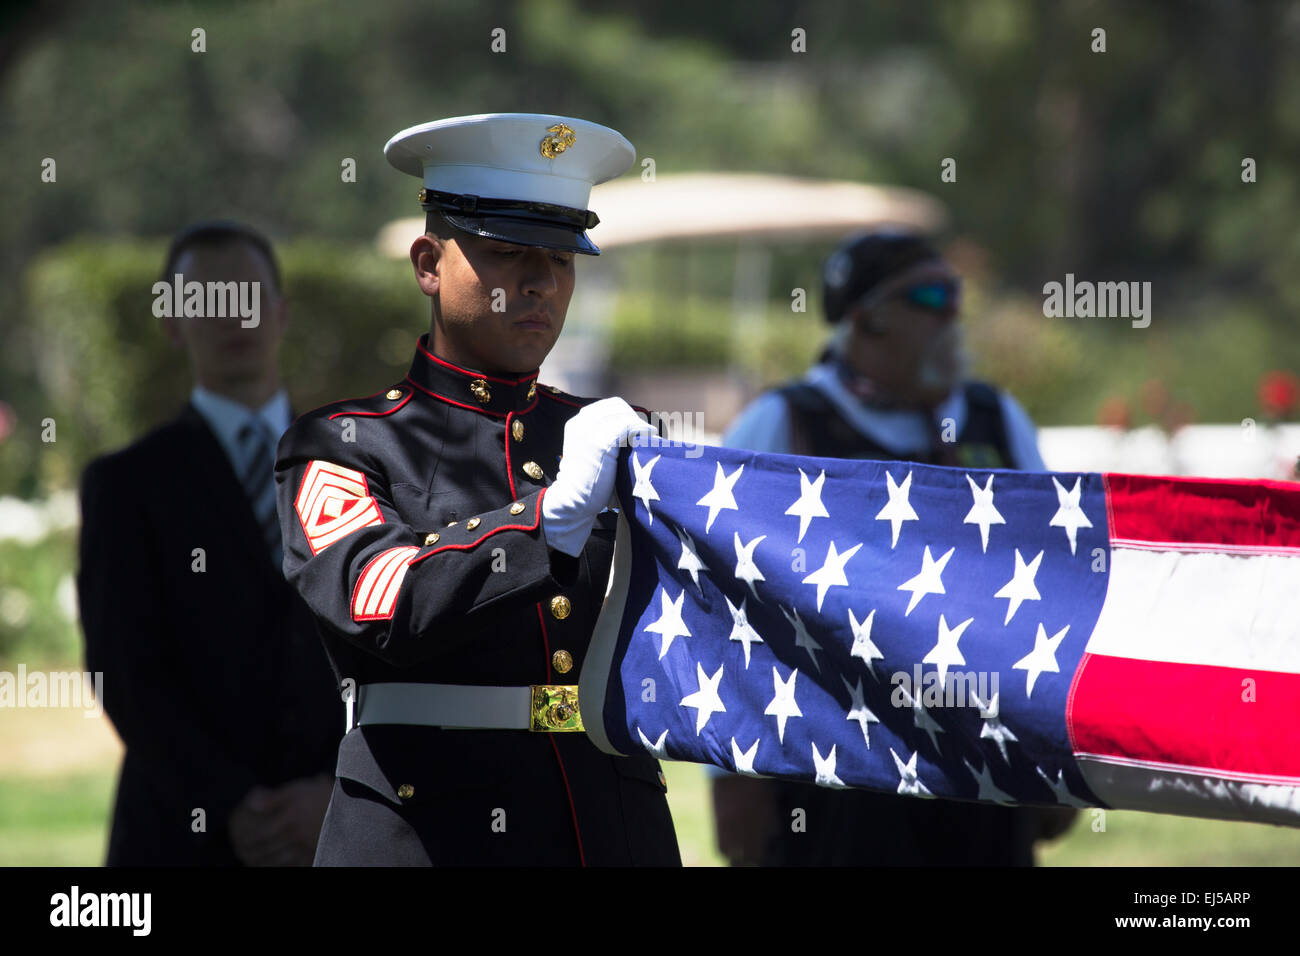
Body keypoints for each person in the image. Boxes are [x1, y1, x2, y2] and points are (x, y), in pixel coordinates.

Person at [275, 113, 681, 866]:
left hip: (610, 825)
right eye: (505, 252)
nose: (538, 282)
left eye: (561, 259)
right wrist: (547, 522)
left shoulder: (610, 436)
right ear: (428, 262)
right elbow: (383, 602)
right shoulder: (342, 443)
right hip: (430, 833)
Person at [713, 230, 1076, 866]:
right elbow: (726, 612)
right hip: (833, 775)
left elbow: (1054, 585)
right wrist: (731, 782)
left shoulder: (995, 421)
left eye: (956, 294)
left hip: (980, 769)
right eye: (930, 295)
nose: (951, 313)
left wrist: (1058, 755)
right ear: (867, 318)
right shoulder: (787, 424)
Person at [78, 221, 343, 866]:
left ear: (281, 314)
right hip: (179, 840)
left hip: (336, 832)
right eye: (209, 299)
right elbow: (123, 671)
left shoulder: (360, 464)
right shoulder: (126, 485)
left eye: (250, 295)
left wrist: (338, 792)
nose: (236, 316)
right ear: (172, 321)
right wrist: (230, 804)